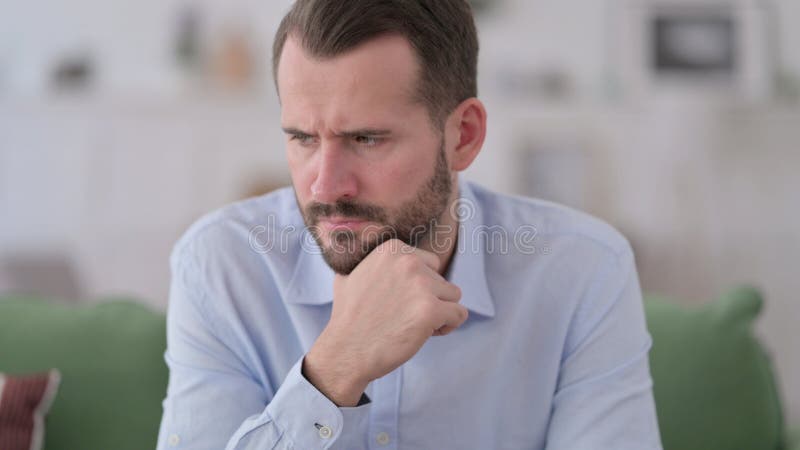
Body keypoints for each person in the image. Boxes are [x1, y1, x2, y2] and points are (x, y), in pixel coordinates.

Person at [157, 1, 663, 448]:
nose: (325, 188)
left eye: (367, 139)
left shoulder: (584, 270)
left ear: (463, 135)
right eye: (303, 138)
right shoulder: (219, 265)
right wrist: (335, 370)